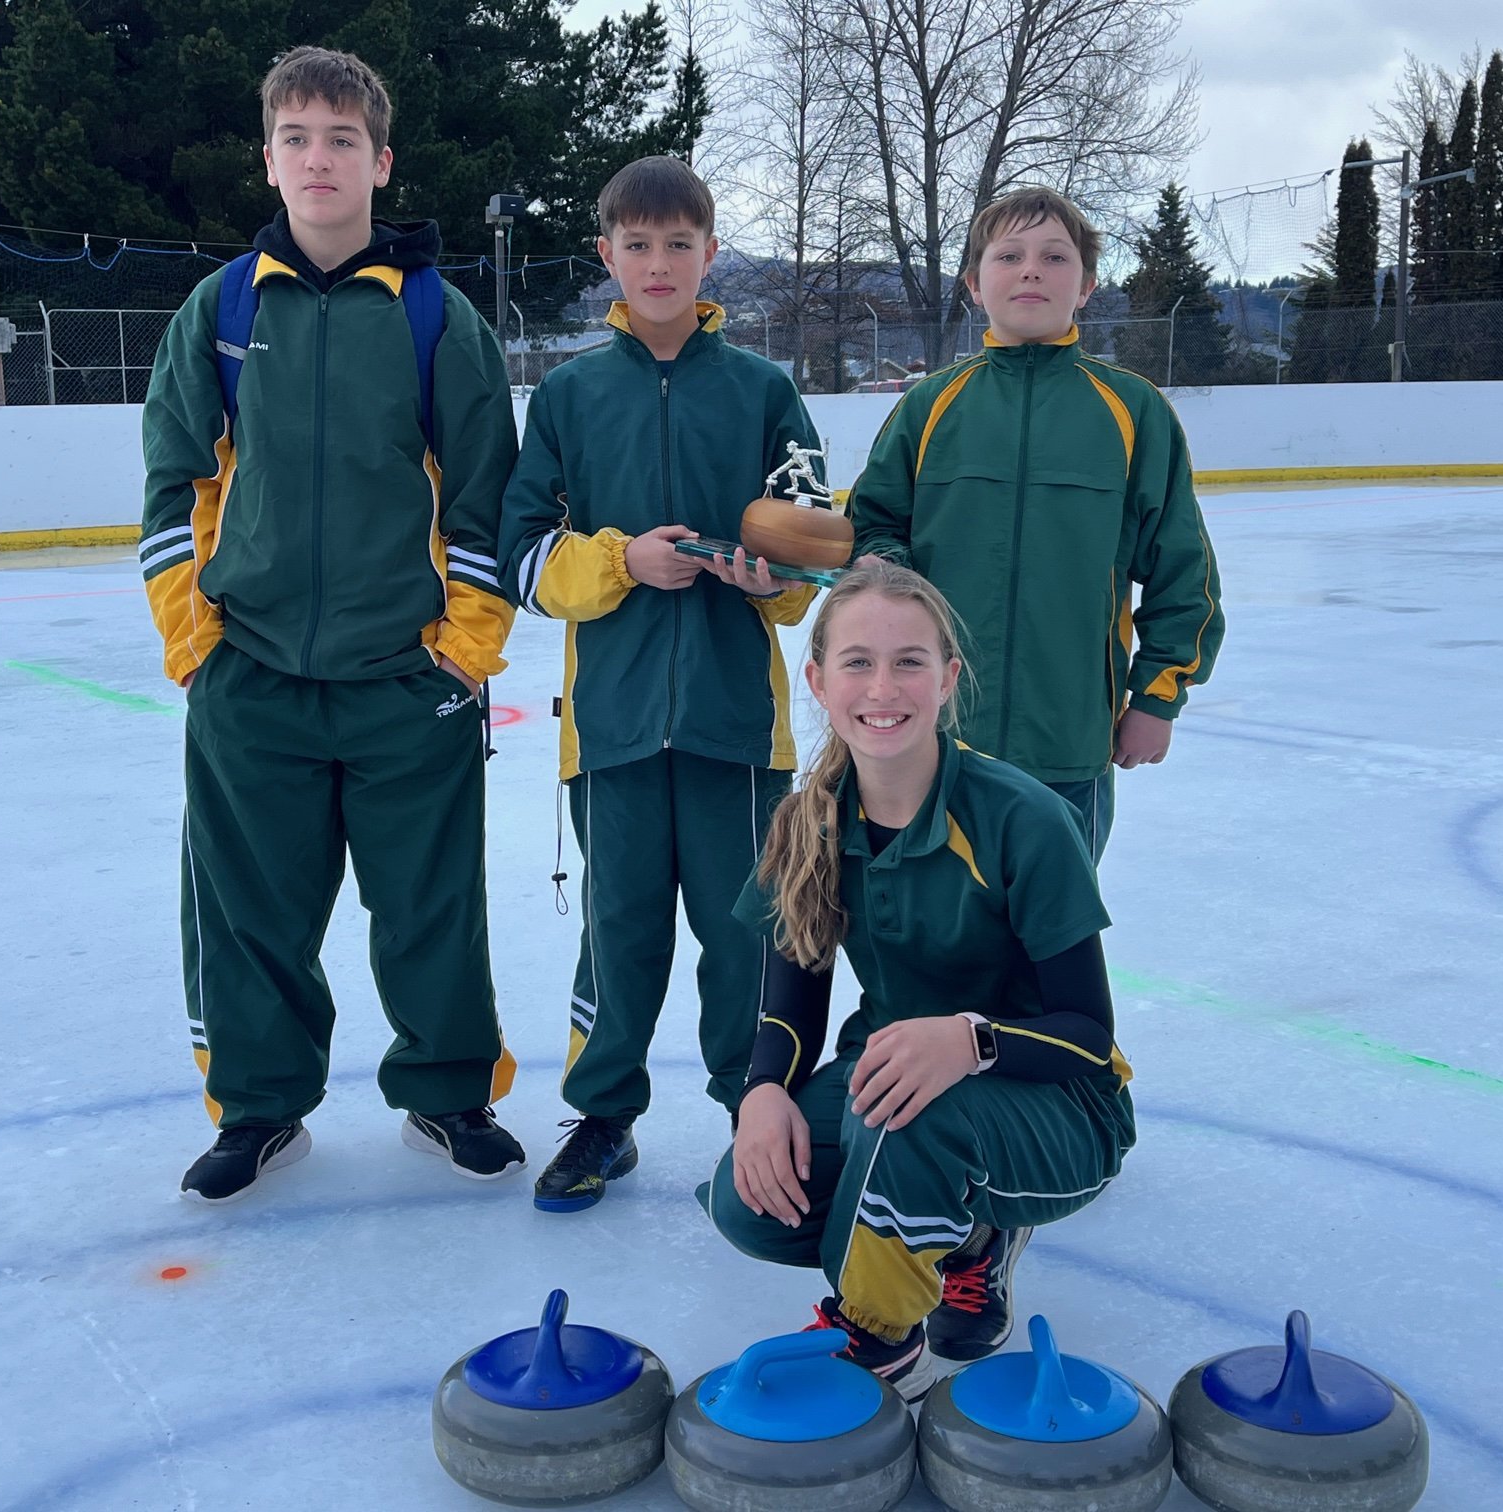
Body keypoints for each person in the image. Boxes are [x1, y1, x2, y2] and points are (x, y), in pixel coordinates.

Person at [140, 46, 524, 1203]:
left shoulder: (435, 317)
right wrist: (196, 644)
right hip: (251, 678)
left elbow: (485, 498)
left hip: (407, 680)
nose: (320, 159)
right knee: (247, 913)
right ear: (269, 159)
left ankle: (448, 1094)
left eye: (342, 140)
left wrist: (462, 652)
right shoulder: (221, 310)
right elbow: (174, 487)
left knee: (429, 907)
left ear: (380, 163)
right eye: (297, 138)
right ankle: (259, 1109)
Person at [700, 560, 1136, 1400]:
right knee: (749, 1203)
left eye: (909, 662)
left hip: (1055, 1099)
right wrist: (762, 1092)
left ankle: (879, 1334)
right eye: (858, 662)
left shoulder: (1024, 819)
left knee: (908, 1116)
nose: (882, 687)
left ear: (948, 679)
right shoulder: (808, 822)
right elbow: (792, 1008)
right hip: (896, 1081)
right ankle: (957, 1228)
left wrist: (971, 1041)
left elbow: (1088, 1036)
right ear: (818, 682)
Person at [499, 156, 825, 1212]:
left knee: (746, 933)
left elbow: (813, 551)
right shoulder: (569, 394)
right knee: (620, 930)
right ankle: (604, 1116)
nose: (658, 263)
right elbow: (519, 557)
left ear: (709, 253)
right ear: (606, 255)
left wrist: (773, 578)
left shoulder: (766, 392)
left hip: (738, 728)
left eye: (678, 243)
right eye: (636, 244)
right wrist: (619, 562)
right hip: (614, 725)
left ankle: (755, 1115)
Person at [850, 185, 1224, 861]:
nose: (1031, 271)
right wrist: (884, 564)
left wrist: (1156, 698)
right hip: (932, 734)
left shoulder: (1133, 411)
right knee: (923, 913)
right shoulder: (930, 407)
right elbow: (872, 523)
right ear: (974, 283)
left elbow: (1183, 573)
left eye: (1054, 257)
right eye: (1009, 256)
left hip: (1069, 741)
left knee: (1054, 918)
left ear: (1086, 285)